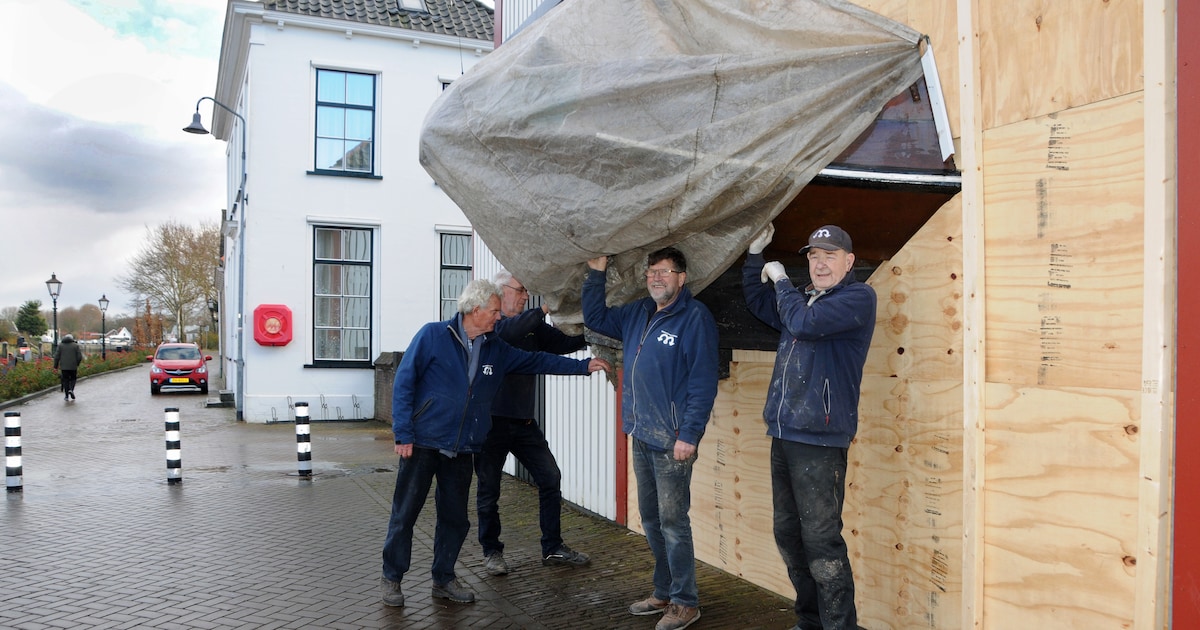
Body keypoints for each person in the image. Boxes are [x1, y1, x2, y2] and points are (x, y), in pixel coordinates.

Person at [381, 279, 610, 609]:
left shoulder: (495, 348)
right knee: (405, 514)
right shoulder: (433, 335)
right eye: (494, 311)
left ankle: (443, 578)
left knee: (455, 519)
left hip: (463, 447)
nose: (498, 317)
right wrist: (403, 433)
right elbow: (405, 382)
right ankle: (392, 578)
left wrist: (583, 366)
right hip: (423, 443)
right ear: (475, 310)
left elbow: (538, 361)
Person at [741, 223, 876, 630]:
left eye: (829, 256)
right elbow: (757, 303)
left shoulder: (857, 298)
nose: (819, 264)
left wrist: (781, 279)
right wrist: (754, 258)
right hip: (784, 434)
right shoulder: (802, 301)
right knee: (788, 535)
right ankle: (811, 621)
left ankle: (839, 625)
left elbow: (802, 323)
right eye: (814, 256)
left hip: (820, 440)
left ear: (849, 262)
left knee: (821, 541)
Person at [582, 246, 718, 630]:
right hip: (642, 433)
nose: (656, 278)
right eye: (651, 272)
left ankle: (686, 602)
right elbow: (595, 317)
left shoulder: (694, 318)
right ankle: (664, 591)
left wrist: (689, 435)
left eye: (665, 272)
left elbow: (703, 381)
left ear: (682, 278)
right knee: (652, 520)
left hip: (673, 440)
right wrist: (596, 273)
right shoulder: (637, 312)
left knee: (673, 523)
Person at [475, 270, 591, 576]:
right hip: (491, 425)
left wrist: (595, 327)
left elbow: (563, 344)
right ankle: (491, 551)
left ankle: (552, 547)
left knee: (550, 477)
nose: (526, 296)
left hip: (524, 423)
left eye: (527, 292)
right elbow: (512, 330)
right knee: (489, 490)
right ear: (502, 292)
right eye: (521, 290)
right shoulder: (494, 326)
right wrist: (545, 308)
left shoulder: (531, 327)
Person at [53, 334, 84, 401]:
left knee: (66, 380)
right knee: (73, 378)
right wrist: (77, 364)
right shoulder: (75, 346)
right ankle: (71, 389)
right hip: (73, 366)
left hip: (64, 367)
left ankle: (66, 396)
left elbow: (56, 357)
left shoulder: (60, 345)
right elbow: (79, 357)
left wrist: (55, 366)